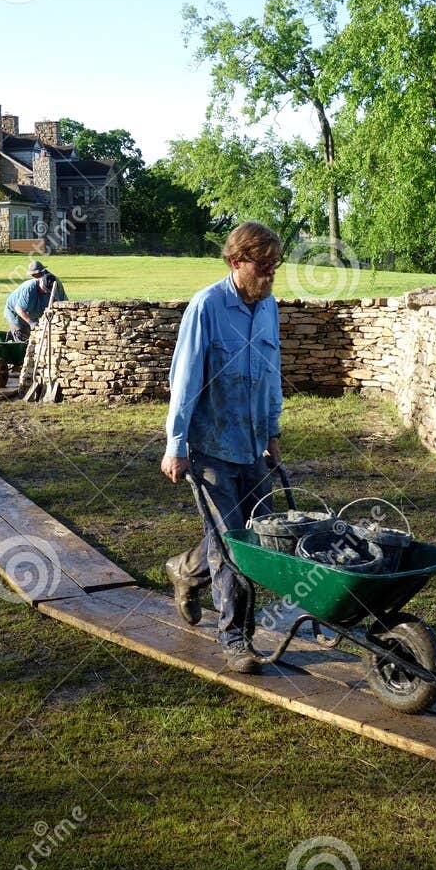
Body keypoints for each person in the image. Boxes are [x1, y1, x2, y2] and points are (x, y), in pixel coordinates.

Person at [160, 222, 284, 674]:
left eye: (276, 266)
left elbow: (271, 374)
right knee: (234, 545)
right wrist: (176, 445)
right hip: (210, 447)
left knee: (255, 537)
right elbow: (184, 381)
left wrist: (272, 434)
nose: (271, 275)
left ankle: (185, 570)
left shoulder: (268, 307)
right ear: (237, 262)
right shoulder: (207, 307)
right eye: (264, 266)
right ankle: (236, 639)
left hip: (251, 446)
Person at [4, 261, 66, 342]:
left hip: (34, 311)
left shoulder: (53, 284)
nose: (45, 292)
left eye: (47, 291)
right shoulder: (30, 287)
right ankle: (16, 333)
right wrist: (31, 322)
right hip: (16, 313)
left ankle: (13, 335)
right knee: (23, 339)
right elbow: (18, 309)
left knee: (36, 337)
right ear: (40, 282)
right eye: (43, 289)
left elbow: (59, 303)